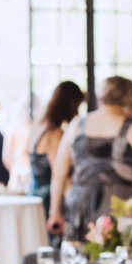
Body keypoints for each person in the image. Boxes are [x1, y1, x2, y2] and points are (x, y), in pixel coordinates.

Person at [48, 76, 132, 241]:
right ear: (130, 100)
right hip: (123, 211)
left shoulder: (76, 125)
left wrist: (54, 213)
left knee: (79, 255)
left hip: (80, 209)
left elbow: (59, 174)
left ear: (101, 96)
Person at [29, 81, 85, 215]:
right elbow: (60, 173)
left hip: (34, 195)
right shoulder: (54, 134)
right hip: (50, 202)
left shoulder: (39, 128)